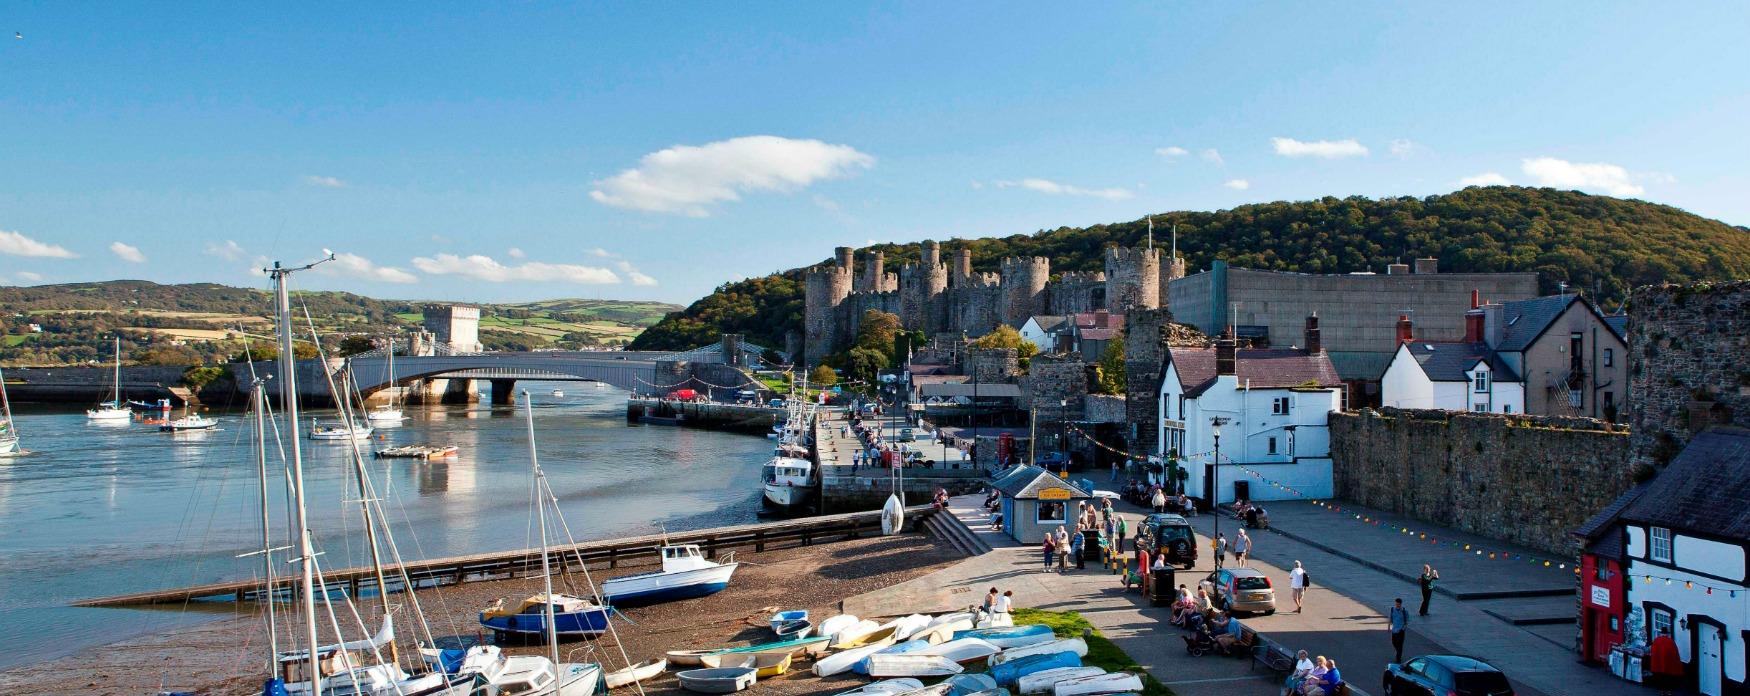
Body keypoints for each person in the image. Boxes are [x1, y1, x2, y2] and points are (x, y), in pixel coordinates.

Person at [1388, 598, 1410, 663]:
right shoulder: (1392, 609)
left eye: (1398, 604)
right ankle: (1399, 652)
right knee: (1394, 643)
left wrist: (1403, 629)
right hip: (1394, 630)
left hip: (1400, 631)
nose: (1397, 606)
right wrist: (1389, 627)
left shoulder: (1404, 611)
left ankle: (1398, 659)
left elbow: (1407, 622)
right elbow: (1390, 619)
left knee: (1400, 645)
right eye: (1396, 604)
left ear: (1401, 604)